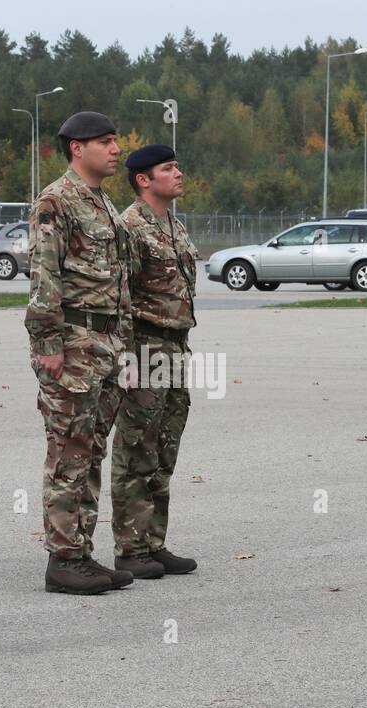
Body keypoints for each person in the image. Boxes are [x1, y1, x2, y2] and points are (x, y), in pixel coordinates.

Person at [25, 111, 135, 594]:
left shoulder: (103, 203)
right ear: (76, 148)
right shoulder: (56, 201)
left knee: (91, 450)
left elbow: (118, 281)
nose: (115, 149)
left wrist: (124, 345)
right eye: (105, 142)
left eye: (115, 141)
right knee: (69, 450)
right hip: (72, 343)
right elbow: (44, 275)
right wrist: (47, 343)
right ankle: (63, 558)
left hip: (105, 344)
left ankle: (82, 552)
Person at [111, 144, 199, 579]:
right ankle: (130, 547)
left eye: (177, 166)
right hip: (145, 347)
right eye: (169, 168)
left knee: (165, 447)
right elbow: (121, 297)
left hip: (176, 347)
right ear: (144, 180)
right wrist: (126, 357)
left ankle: (153, 541)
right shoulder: (130, 227)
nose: (178, 173)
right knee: (136, 448)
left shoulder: (173, 225)